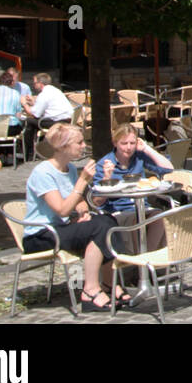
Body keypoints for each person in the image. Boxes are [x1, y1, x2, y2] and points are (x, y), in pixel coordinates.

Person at [21, 122, 124, 312]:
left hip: (61, 228)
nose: (84, 146)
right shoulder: (43, 172)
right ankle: (90, 291)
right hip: (40, 235)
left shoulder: (69, 170)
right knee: (99, 228)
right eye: (79, 143)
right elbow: (61, 209)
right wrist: (83, 181)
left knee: (108, 220)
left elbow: (79, 202)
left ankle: (109, 284)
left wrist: (83, 212)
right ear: (63, 147)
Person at [92, 124, 173, 250]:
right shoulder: (105, 163)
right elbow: (97, 202)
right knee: (138, 221)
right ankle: (143, 262)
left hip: (143, 207)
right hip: (119, 211)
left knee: (160, 216)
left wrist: (146, 148)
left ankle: (146, 259)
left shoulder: (138, 157)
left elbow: (168, 169)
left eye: (132, 143)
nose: (129, 148)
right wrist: (106, 179)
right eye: (124, 143)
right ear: (115, 143)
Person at [22, 73, 73, 160]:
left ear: (40, 84)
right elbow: (46, 106)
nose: (34, 85)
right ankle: (39, 149)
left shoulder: (44, 94)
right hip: (66, 120)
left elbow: (35, 113)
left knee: (29, 121)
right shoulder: (55, 90)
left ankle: (29, 153)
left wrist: (24, 104)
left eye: (35, 83)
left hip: (57, 122)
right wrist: (33, 103)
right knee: (35, 122)